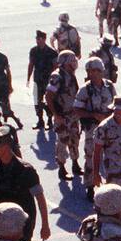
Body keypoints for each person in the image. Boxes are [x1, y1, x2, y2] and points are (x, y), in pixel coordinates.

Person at [72, 57, 117, 188]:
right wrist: (93, 115)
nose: (92, 74)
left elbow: (116, 104)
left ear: (101, 71)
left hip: (109, 127)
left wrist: (111, 115)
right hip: (93, 129)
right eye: (89, 71)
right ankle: (90, 186)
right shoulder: (85, 89)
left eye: (95, 70)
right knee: (91, 158)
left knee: (112, 156)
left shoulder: (109, 86)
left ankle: (111, 185)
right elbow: (76, 108)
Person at [46, 50, 82, 179]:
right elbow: (49, 96)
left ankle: (75, 164)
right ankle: (62, 168)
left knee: (75, 139)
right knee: (62, 141)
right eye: (72, 60)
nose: (75, 63)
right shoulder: (57, 76)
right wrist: (56, 115)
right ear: (66, 62)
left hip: (72, 116)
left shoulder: (71, 74)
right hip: (62, 116)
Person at [26, 30, 59, 128]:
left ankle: (49, 120)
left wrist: (53, 80)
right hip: (37, 80)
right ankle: (40, 120)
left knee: (49, 100)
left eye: (40, 39)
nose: (38, 41)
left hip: (48, 81)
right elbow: (31, 64)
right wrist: (28, 78)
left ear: (44, 39)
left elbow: (55, 66)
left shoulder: (52, 52)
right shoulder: (33, 51)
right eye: (37, 39)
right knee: (37, 100)